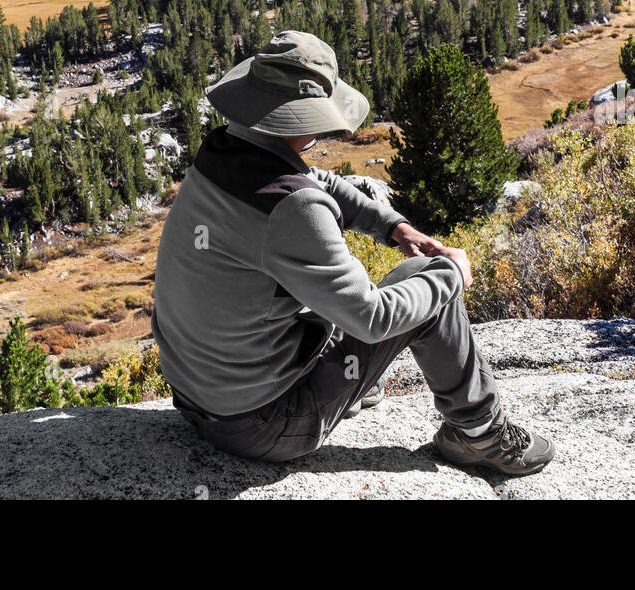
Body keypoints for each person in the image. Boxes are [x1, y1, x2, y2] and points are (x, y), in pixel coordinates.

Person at [151, 29, 554, 476]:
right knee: (427, 280)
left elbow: (317, 180)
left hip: (197, 399)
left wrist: (393, 226)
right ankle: (481, 434)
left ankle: (345, 382)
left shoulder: (222, 154)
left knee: (323, 295)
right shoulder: (292, 208)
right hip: (263, 427)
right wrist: (452, 274)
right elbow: (371, 319)